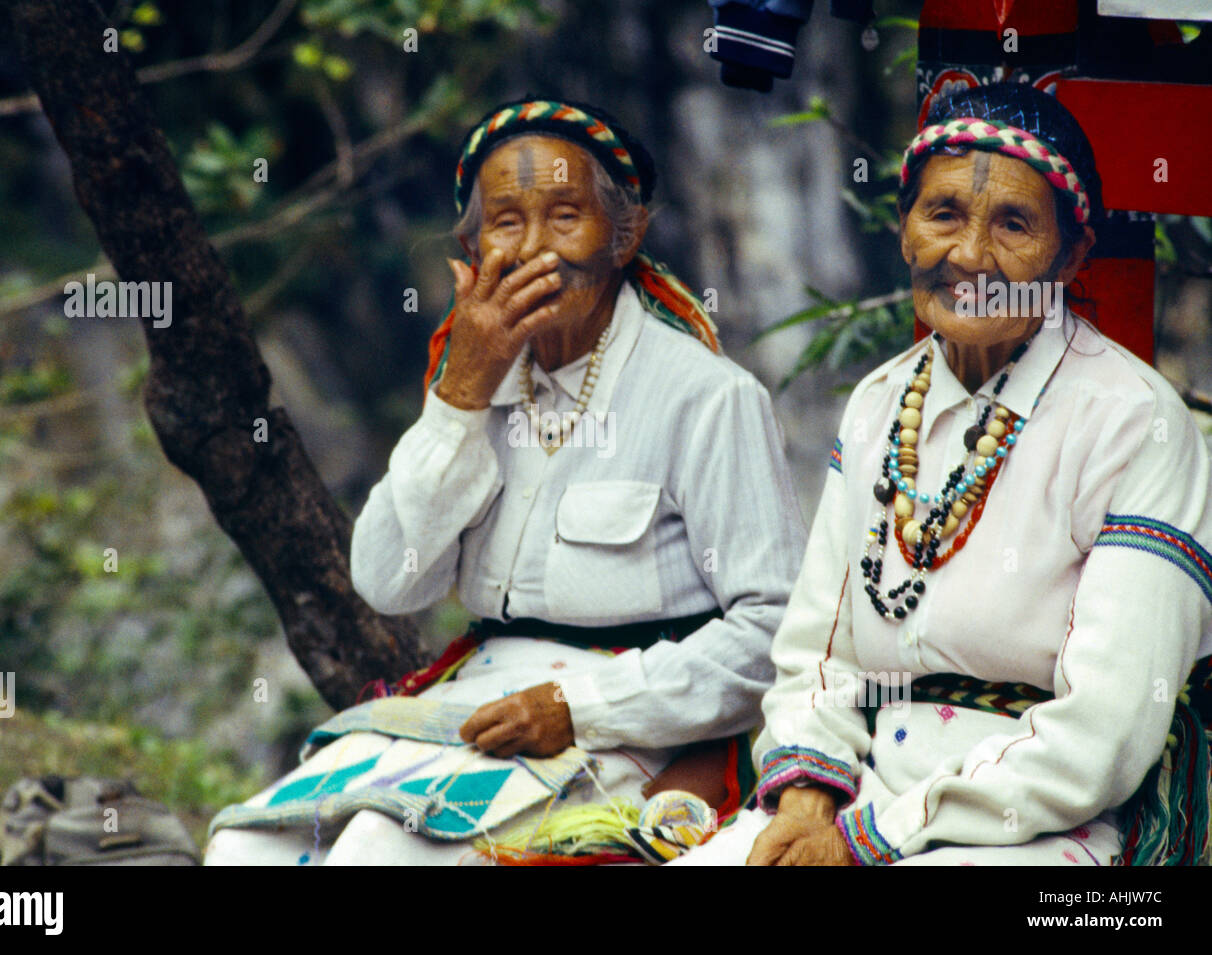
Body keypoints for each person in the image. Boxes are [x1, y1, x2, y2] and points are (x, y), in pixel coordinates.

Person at [205, 97, 807, 865]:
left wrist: (579, 708)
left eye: (565, 215)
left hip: (628, 724)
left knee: (375, 848)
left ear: (627, 235)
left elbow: (773, 630)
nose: (535, 250)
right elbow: (388, 581)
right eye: (506, 221)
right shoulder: (474, 376)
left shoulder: (707, 397)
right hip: (471, 705)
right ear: (472, 245)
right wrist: (460, 396)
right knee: (241, 845)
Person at [673, 82, 1212, 866]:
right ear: (904, 232)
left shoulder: (1135, 421)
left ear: (1071, 255)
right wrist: (806, 802)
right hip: (858, 790)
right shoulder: (879, 403)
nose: (969, 256)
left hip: (1041, 820)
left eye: (1014, 224)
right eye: (944, 214)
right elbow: (819, 655)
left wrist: (869, 840)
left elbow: (1109, 727)